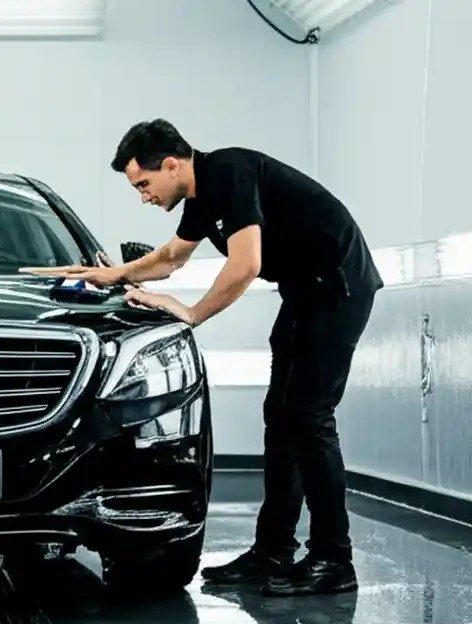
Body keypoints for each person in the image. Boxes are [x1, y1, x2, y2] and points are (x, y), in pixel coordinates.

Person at [26, 119, 383, 596]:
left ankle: (333, 559)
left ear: (171, 165)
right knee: (280, 418)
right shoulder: (201, 197)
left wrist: (192, 314)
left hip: (338, 289)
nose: (143, 196)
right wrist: (108, 275)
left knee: (308, 417)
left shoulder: (229, 172)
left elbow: (246, 263)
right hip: (304, 293)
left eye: (144, 184)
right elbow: (171, 258)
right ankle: (273, 551)